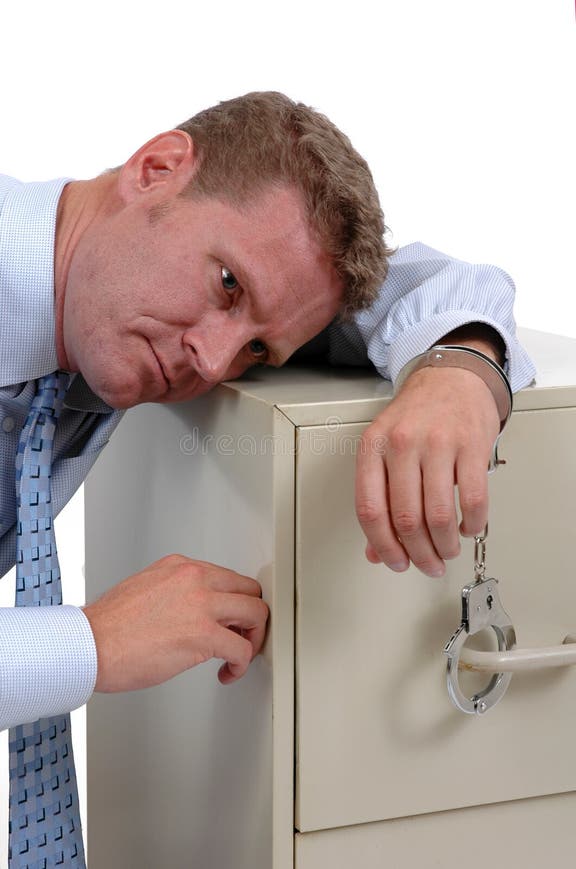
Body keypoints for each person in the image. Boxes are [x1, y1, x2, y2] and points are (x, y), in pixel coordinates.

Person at [0, 91, 535, 733]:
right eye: (227, 284)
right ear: (156, 169)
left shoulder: (124, 301)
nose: (212, 360)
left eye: (258, 349)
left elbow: (438, 283)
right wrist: (89, 645)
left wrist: (460, 370)